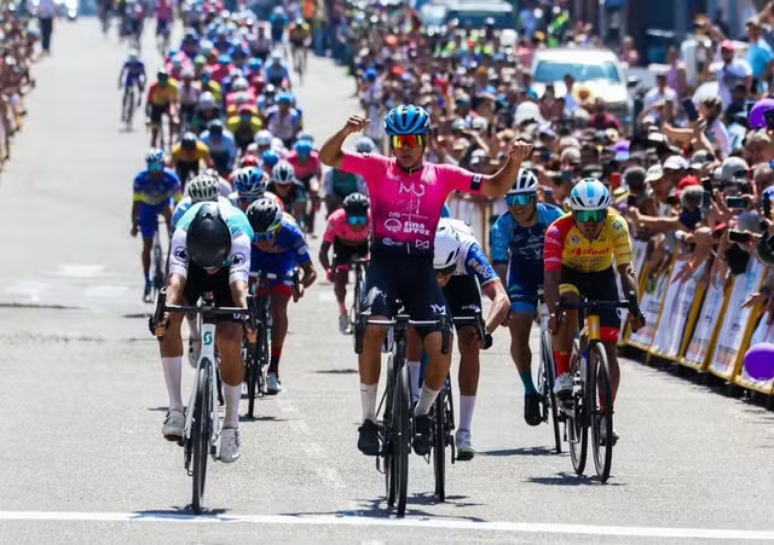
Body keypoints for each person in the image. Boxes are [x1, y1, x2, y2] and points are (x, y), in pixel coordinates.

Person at [319, 105, 532, 456]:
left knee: (442, 344)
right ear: (392, 143)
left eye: (413, 140)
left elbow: (494, 187)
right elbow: (328, 156)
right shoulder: (376, 168)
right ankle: (369, 420)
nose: (406, 146)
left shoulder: (442, 174)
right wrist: (345, 132)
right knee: (373, 328)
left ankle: (421, 413)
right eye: (400, 140)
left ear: (424, 142)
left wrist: (515, 161)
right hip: (384, 266)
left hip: (421, 269)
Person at [543, 179, 644, 444]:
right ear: (573, 213)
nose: (591, 222)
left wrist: (634, 304)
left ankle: (604, 417)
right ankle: (564, 374)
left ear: (606, 213)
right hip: (569, 275)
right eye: (584, 215)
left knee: (610, 349)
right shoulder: (557, 230)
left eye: (597, 215)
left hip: (601, 277)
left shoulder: (617, 225)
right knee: (569, 307)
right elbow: (551, 277)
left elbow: (627, 270)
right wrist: (554, 311)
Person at [153, 201, 253, 464]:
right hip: (191, 270)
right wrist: (164, 312)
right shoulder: (182, 234)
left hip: (229, 275)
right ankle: (175, 408)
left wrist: (248, 317)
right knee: (170, 319)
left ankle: (231, 425)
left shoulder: (240, 236)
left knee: (230, 337)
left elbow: (239, 287)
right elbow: (175, 282)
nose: (210, 269)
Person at [490, 169, 564, 426]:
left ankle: (567, 373)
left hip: (554, 272)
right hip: (522, 274)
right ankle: (530, 390)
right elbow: (499, 266)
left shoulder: (555, 217)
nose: (517, 207)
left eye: (523, 200)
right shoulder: (502, 225)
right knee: (519, 322)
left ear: (535, 198)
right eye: (511, 201)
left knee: (566, 323)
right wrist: (504, 300)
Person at [431, 219, 509, 459]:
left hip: (462, 284)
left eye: (446, 272)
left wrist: (485, 330)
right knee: (420, 331)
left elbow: (501, 298)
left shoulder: (469, 250)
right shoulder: (420, 246)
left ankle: (464, 431)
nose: (441, 277)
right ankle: (415, 396)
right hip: (424, 284)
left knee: (470, 342)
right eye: (437, 272)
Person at [246, 197, 318, 394]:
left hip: (282, 262)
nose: (261, 242)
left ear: (278, 229)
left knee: (279, 308)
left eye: (266, 237)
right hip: (253, 259)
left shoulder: (292, 233)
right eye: (257, 236)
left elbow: (310, 271)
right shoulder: (246, 232)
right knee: (242, 300)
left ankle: (273, 370)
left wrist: (301, 286)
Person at [131, 148, 182, 302]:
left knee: (170, 212)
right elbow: (137, 203)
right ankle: (147, 281)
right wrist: (134, 222)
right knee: (147, 245)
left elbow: (180, 204)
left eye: (158, 167)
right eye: (151, 168)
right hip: (147, 207)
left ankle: (173, 242)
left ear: (163, 165)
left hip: (164, 205)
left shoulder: (172, 179)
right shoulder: (140, 179)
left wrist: (179, 226)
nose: (155, 171)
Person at [319, 192, 371, 333]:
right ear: (346, 216)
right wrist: (329, 269)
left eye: (361, 220)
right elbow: (323, 251)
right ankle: (343, 311)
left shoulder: (372, 218)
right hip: (343, 247)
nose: (358, 225)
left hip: (362, 246)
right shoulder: (335, 219)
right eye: (354, 220)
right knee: (341, 280)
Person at [286, 139, 322, 235]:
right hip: (295, 179)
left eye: (306, 156)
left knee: (315, 190)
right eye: (300, 156)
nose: (303, 158)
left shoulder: (314, 158)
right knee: (300, 202)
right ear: (296, 153)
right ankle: (298, 220)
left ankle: (312, 213)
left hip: (309, 178)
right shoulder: (290, 158)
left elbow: (318, 174)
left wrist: (318, 190)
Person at [146, 69, 179, 148]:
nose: (163, 80)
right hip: (156, 106)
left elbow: (175, 101)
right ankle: (153, 145)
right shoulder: (153, 87)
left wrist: (175, 115)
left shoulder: (173, 86)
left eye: (164, 78)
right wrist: (148, 114)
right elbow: (149, 101)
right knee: (155, 129)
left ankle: (171, 139)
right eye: (161, 78)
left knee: (172, 118)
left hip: (167, 104)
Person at [118, 50, 146, 123]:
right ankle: (124, 110)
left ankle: (139, 97)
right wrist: (120, 81)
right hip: (130, 77)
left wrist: (143, 85)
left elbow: (144, 75)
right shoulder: (127, 63)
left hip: (137, 76)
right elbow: (122, 72)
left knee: (141, 82)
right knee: (126, 91)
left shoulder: (141, 64)